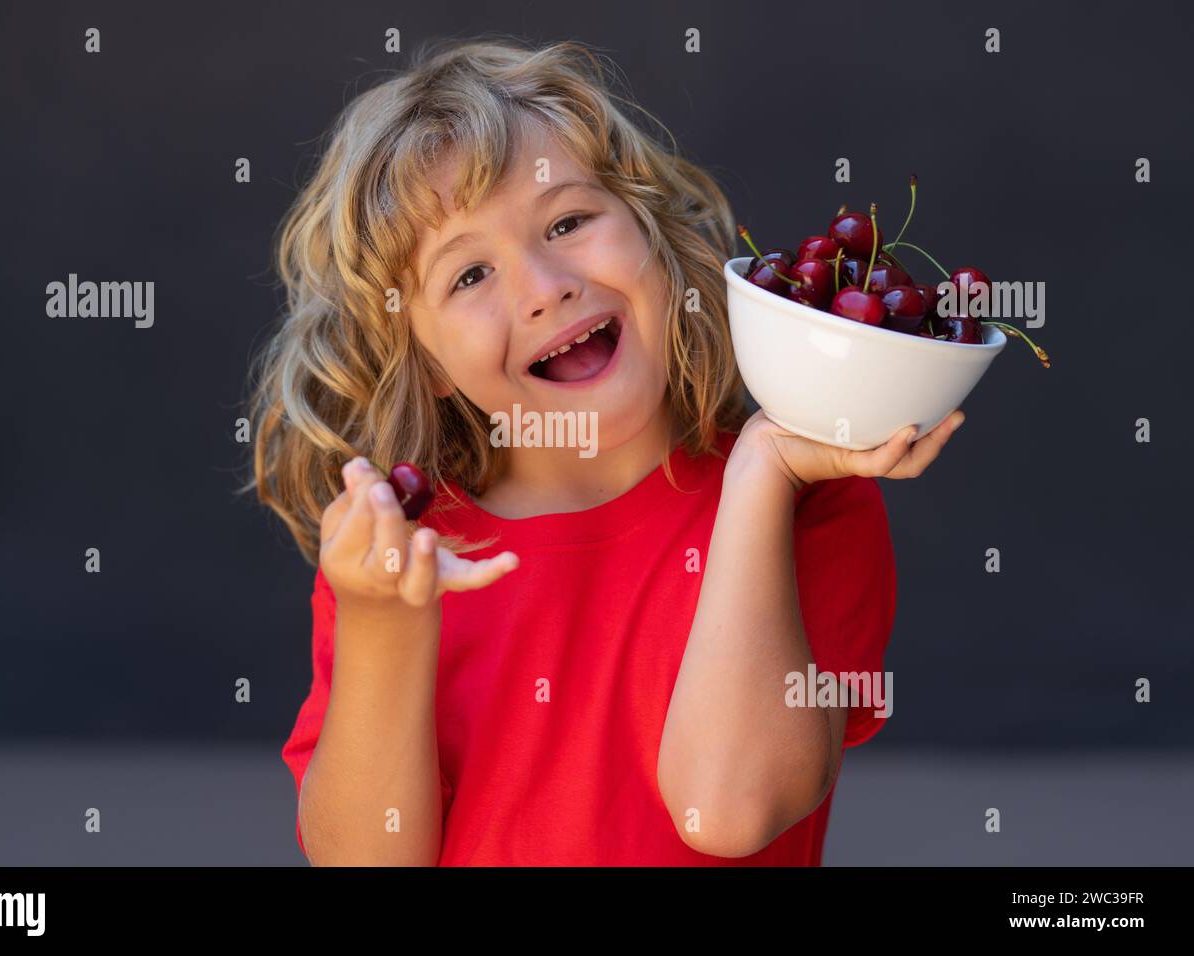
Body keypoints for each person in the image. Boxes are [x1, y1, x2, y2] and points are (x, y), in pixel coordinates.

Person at [244, 36, 964, 866]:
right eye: (469, 277)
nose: (544, 284)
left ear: (653, 236)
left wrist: (759, 472)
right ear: (428, 366)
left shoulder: (808, 499)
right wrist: (381, 628)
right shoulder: (400, 564)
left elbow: (727, 811)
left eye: (569, 221)